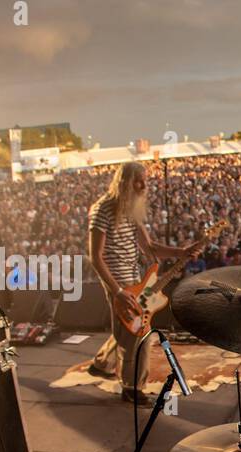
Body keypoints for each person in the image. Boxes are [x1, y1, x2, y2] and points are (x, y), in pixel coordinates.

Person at [86, 161, 200, 404]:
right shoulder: (101, 210)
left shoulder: (130, 210)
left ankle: (102, 363)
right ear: (124, 181)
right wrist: (116, 290)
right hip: (117, 281)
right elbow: (95, 256)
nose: (144, 186)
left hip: (135, 278)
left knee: (126, 329)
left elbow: (150, 247)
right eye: (139, 180)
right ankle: (132, 388)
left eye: (145, 180)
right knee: (140, 332)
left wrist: (181, 252)